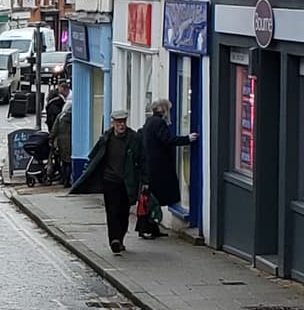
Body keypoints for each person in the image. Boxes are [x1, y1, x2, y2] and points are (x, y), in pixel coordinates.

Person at [71, 110, 148, 255]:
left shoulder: (134, 138)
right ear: (113, 123)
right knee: (112, 211)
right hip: (110, 181)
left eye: (123, 122)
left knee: (124, 212)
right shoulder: (106, 138)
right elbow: (94, 156)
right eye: (118, 122)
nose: (121, 125)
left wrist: (145, 181)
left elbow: (143, 160)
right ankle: (114, 240)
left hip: (127, 181)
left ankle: (120, 237)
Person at [139, 98, 199, 239]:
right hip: (159, 167)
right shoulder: (159, 123)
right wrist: (187, 139)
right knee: (154, 200)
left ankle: (151, 228)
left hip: (151, 165)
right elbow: (167, 140)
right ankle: (148, 228)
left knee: (151, 199)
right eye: (169, 110)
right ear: (164, 110)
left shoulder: (150, 121)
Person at [49, 100, 73, 187]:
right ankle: (67, 180)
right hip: (71, 141)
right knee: (69, 162)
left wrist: (51, 139)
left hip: (61, 142)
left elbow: (54, 129)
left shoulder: (60, 116)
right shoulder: (74, 117)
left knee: (63, 161)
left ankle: (63, 179)